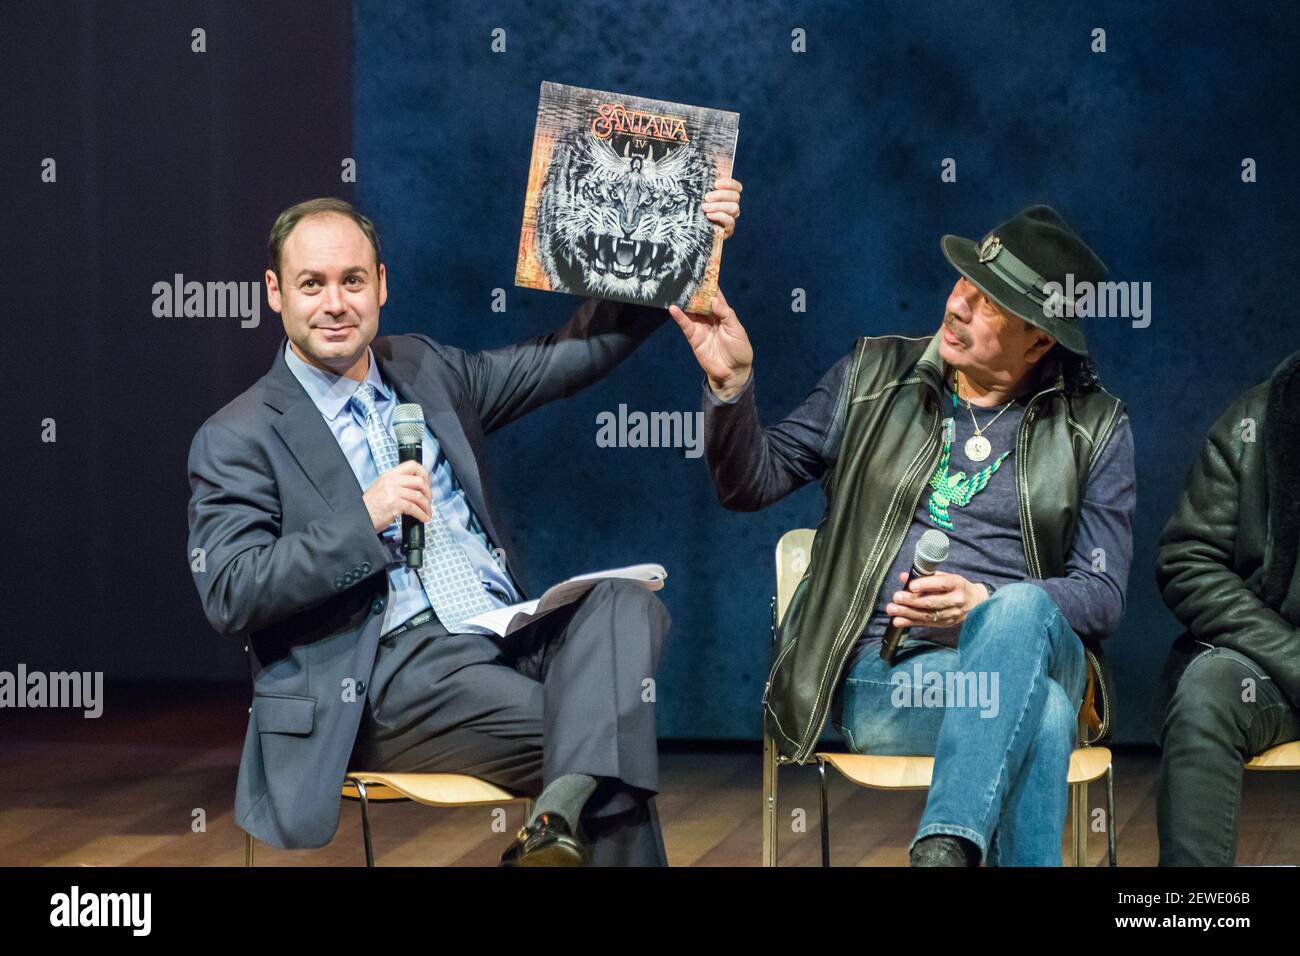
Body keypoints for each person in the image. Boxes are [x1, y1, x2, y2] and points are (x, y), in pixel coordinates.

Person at [187, 181, 742, 866]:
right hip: (387, 676)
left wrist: (681, 239)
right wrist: (364, 520)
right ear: (275, 293)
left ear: (381, 284)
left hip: (500, 630)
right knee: (603, 740)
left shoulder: (425, 369)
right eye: (312, 284)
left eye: (352, 280)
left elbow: (569, 354)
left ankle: (553, 822)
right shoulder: (238, 435)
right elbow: (231, 590)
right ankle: (561, 811)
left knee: (623, 603)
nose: (335, 303)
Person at [672, 205, 1136, 865]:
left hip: (1042, 654)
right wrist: (730, 385)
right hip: (893, 675)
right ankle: (949, 849)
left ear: (1039, 341)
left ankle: (946, 843)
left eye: (989, 302)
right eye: (965, 283)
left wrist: (987, 607)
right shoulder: (872, 377)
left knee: (1020, 609)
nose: (958, 306)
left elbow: (1102, 594)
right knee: (1047, 717)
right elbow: (750, 484)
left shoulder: (1095, 427)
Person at [1150, 348, 1300, 865]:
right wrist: (1292, 656)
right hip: (1271, 662)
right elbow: (1188, 562)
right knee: (1207, 693)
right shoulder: (1256, 422)